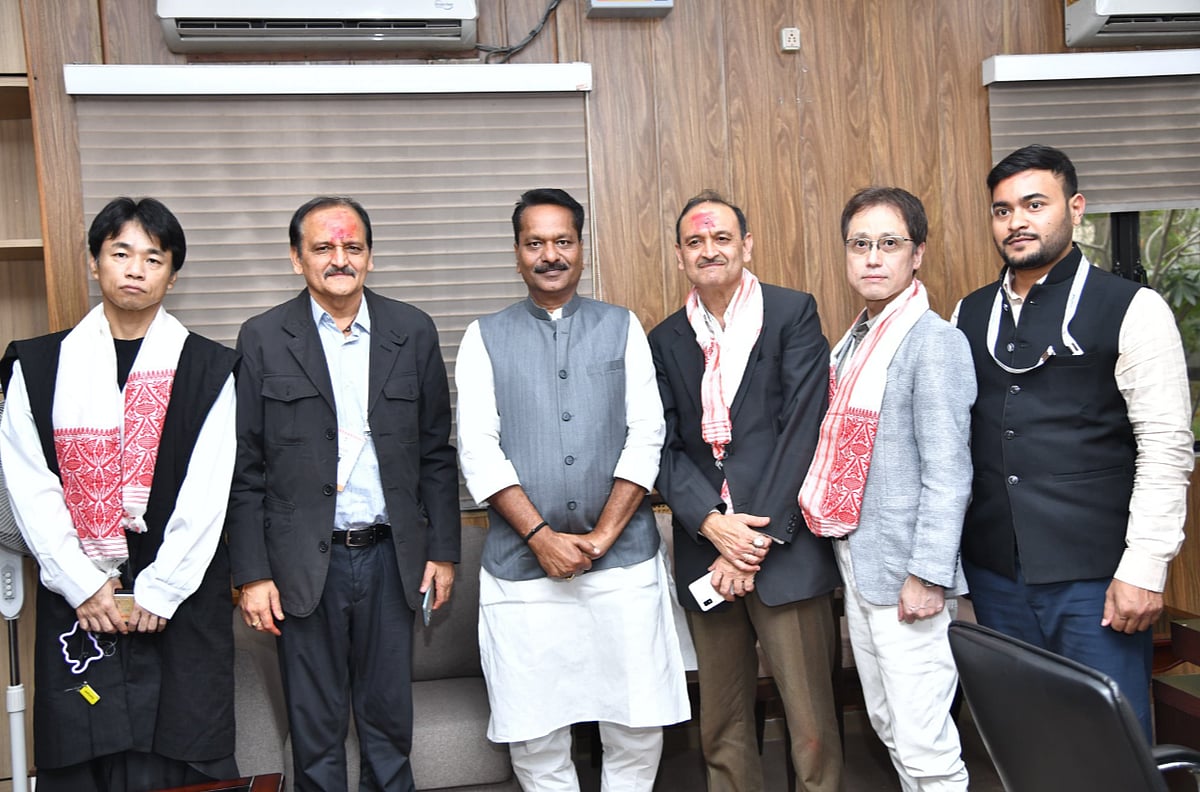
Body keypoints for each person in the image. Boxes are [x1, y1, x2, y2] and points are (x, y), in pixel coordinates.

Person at [954, 144, 1194, 740]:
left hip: (1097, 579)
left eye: (1035, 204)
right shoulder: (967, 312)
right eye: (1003, 210)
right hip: (994, 573)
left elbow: (1166, 446)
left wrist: (1145, 568)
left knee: (1109, 743)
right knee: (1026, 739)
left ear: (1076, 208)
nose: (1017, 222)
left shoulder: (1135, 308)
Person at [0, 197, 239, 791]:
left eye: (153, 258)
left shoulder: (213, 367)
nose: (135, 268)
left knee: (182, 750)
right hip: (78, 598)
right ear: (94, 262)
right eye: (120, 253)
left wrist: (164, 588)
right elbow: (29, 488)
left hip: (181, 600)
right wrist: (81, 583)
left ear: (172, 274)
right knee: (85, 751)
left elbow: (210, 492)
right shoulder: (35, 365)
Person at [455, 187, 689, 791]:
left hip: (623, 564)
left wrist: (607, 532)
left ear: (582, 249)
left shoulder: (623, 326)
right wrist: (540, 538)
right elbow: (478, 450)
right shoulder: (483, 337)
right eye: (535, 243)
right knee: (536, 730)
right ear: (516, 254)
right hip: (523, 568)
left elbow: (648, 433)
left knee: (636, 724)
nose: (549, 254)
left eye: (562, 241)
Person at [226, 196, 460, 791]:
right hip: (303, 565)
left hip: (391, 558)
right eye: (323, 248)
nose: (339, 260)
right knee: (315, 732)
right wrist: (251, 574)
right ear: (296, 258)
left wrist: (444, 552)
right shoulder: (261, 338)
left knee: (388, 726)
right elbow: (244, 469)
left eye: (352, 247)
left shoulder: (412, 330)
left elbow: (437, 452)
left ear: (370, 258)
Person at [650, 190, 842, 792]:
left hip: (781, 546)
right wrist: (712, 525)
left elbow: (806, 428)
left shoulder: (792, 314)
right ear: (680, 255)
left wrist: (750, 539)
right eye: (695, 241)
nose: (710, 251)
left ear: (746, 245)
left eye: (722, 238)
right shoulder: (664, 338)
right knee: (723, 722)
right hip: (707, 548)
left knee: (811, 724)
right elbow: (661, 445)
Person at [800, 187, 973, 790]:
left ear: (917, 254)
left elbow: (950, 473)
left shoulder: (934, 343)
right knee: (889, 724)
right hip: (859, 559)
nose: (873, 258)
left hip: (909, 574)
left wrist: (928, 574)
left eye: (889, 244)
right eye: (860, 244)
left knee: (926, 743)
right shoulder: (853, 341)